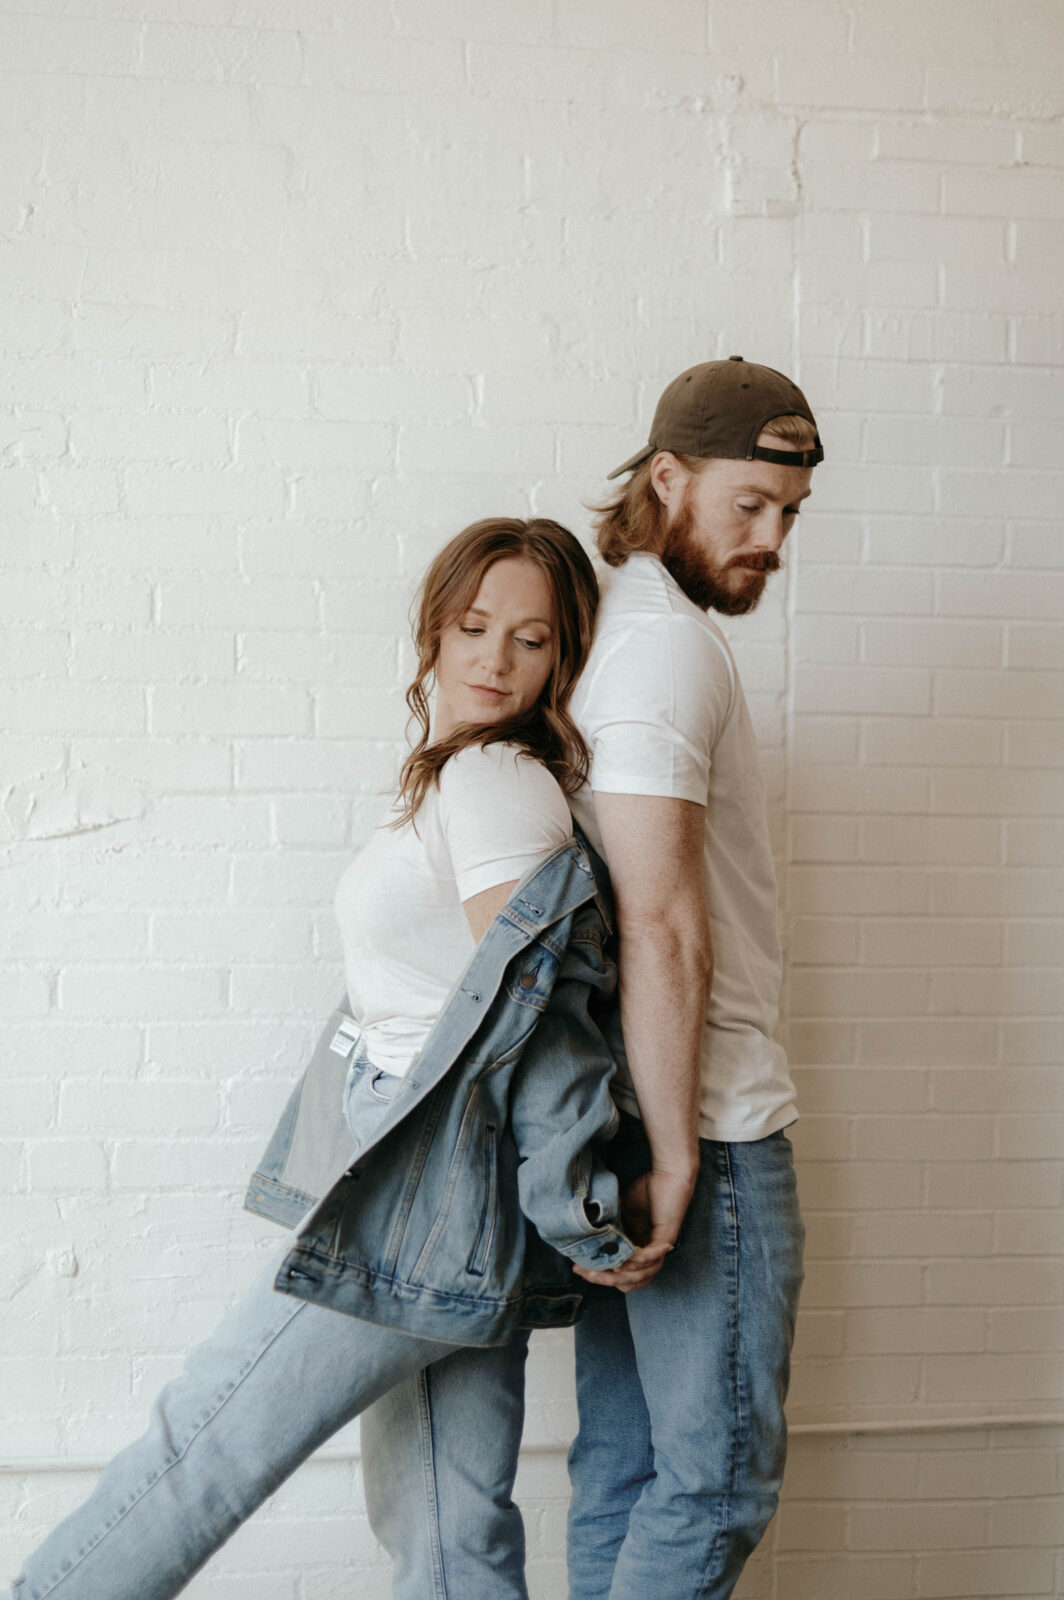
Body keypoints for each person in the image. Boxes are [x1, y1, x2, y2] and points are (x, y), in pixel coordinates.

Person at [6, 516, 668, 1600]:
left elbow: (543, 1015)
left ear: (566, 658)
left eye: (531, 638)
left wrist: (577, 1209)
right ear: (433, 633)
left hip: (430, 1180)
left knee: (204, 1443)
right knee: (446, 1522)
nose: (493, 658)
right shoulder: (459, 779)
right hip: (439, 1172)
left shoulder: (495, 781)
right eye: (472, 625)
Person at [360, 358, 822, 1600]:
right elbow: (661, 922)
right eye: (748, 505)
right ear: (665, 477)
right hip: (706, 1121)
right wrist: (675, 1152)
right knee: (714, 1479)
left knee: (625, 1469)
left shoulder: (609, 626)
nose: (771, 539)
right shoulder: (662, 653)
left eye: (791, 513)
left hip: (639, 1112)